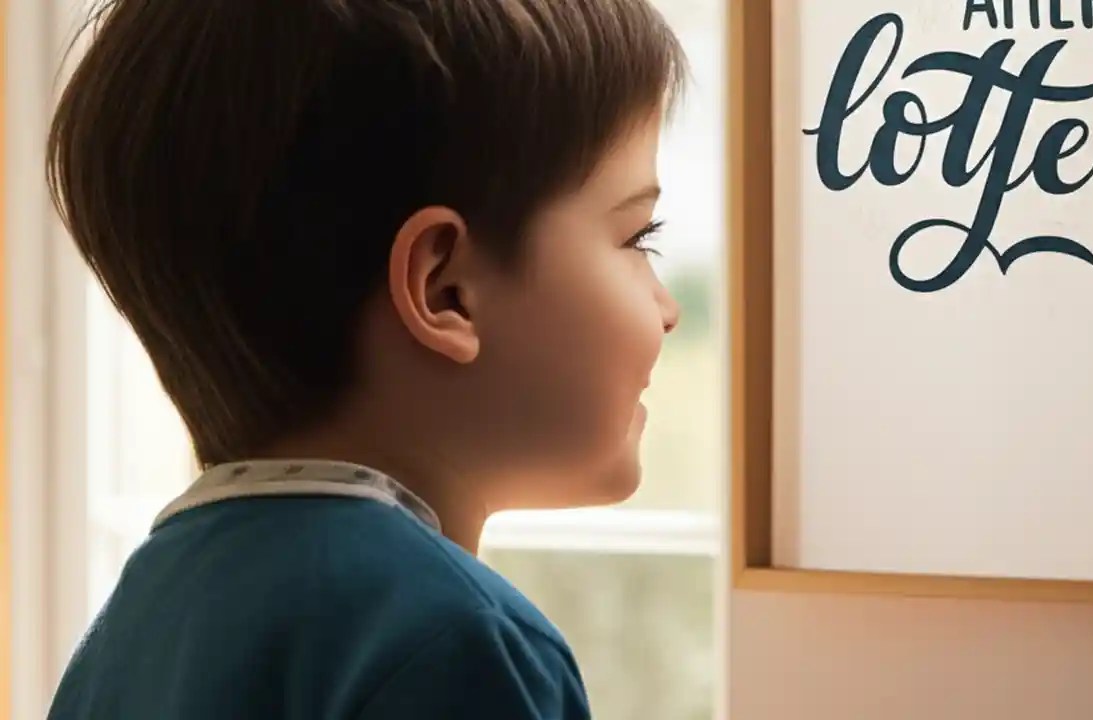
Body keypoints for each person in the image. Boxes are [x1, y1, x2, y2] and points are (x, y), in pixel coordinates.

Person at [44, 1, 685, 717]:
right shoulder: (457, 640)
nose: (668, 308)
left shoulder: (133, 631)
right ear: (446, 291)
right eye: (637, 238)